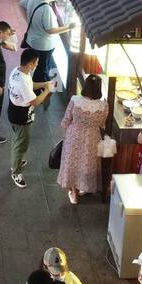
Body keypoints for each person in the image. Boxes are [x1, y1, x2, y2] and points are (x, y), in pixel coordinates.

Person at [7, 48, 55, 188]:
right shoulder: (22, 80)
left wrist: (44, 84)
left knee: (18, 139)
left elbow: (30, 86)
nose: (37, 65)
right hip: (21, 116)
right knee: (21, 143)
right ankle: (16, 171)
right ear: (30, 64)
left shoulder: (18, 71)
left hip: (14, 111)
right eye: (36, 63)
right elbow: (34, 101)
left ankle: (17, 160)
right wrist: (47, 90)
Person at [57, 74, 109, 204]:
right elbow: (102, 123)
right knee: (87, 164)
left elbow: (65, 121)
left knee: (72, 163)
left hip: (73, 136)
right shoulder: (104, 106)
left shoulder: (75, 100)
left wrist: (66, 129)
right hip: (92, 138)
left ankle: (73, 193)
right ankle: (84, 187)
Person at [19, 0, 72, 90]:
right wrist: (68, 27)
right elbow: (51, 30)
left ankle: (33, 85)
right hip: (43, 46)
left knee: (34, 66)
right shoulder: (46, 9)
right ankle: (37, 91)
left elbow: (20, 4)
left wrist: (28, 20)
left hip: (31, 41)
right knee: (41, 69)